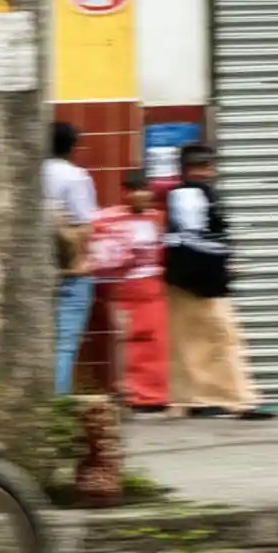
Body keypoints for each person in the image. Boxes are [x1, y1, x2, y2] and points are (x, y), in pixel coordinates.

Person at [164, 144, 277, 420]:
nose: (210, 171)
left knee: (188, 343)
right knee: (224, 339)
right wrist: (224, 259)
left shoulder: (183, 194)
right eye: (206, 166)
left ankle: (194, 399)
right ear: (195, 168)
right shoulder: (191, 195)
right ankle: (241, 401)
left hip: (183, 281)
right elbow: (192, 240)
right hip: (202, 283)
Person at [91, 171, 169, 410]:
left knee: (155, 343)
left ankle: (154, 396)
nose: (140, 195)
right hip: (123, 290)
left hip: (152, 289)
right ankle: (132, 393)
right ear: (124, 192)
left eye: (144, 189)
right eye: (134, 190)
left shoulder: (157, 219)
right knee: (127, 343)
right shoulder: (108, 220)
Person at [44, 122, 99, 395]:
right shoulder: (75, 177)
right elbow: (85, 226)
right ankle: (56, 409)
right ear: (73, 148)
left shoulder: (27, 174)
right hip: (70, 273)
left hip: (38, 274)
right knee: (63, 344)